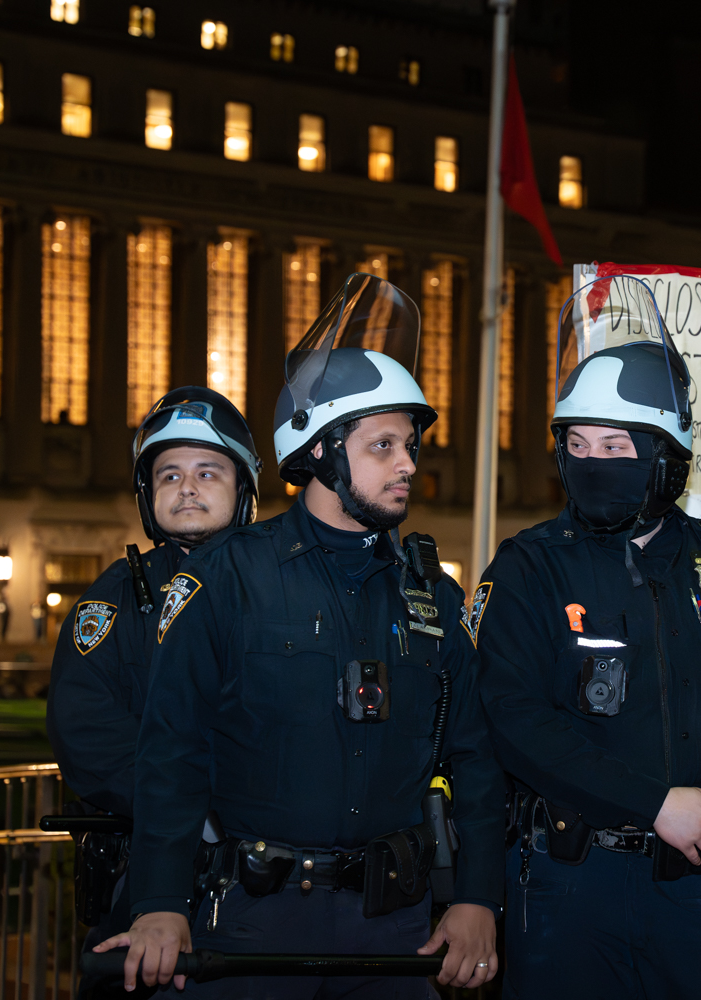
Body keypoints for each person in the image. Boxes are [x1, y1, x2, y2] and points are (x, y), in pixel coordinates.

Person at [95, 275, 506, 997]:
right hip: (253, 927)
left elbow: (474, 757)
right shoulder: (227, 577)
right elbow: (173, 749)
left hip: (394, 930)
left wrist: (478, 898)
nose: (408, 463)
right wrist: (160, 900)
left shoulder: (432, 593)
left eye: (408, 444)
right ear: (318, 452)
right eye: (383, 445)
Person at [477, 279, 701, 1000]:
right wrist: (650, 802)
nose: (593, 461)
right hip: (569, 889)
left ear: (666, 461)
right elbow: (514, 720)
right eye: (576, 444)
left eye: (616, 444)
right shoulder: (528, 566)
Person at [46, 386, 260, 986]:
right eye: (169, 474)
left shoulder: (285, 592)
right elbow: (85, 730)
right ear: (147, 495)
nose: (187, 487)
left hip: (273, 887)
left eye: (207, 471)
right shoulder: (114, 598)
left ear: (244, 488)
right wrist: (200, 811)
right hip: (142, 880)